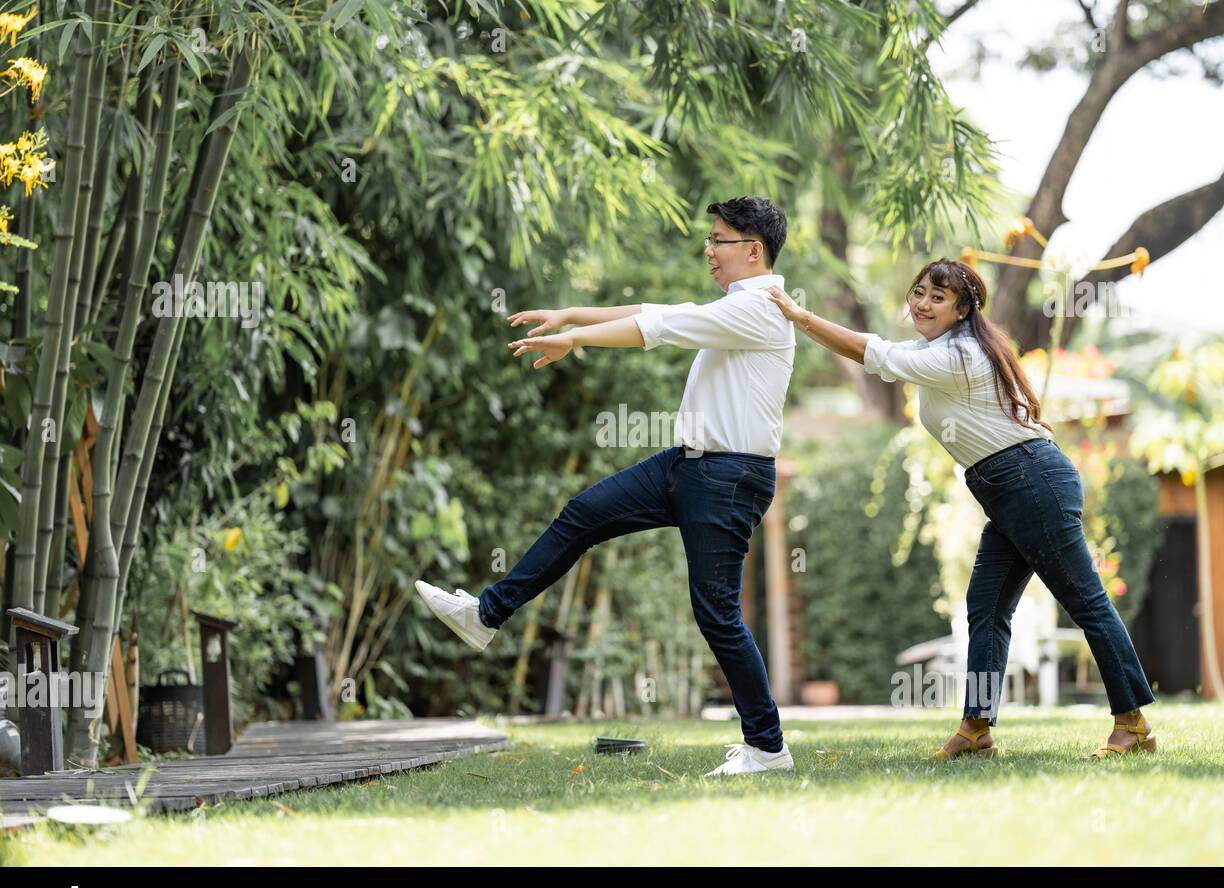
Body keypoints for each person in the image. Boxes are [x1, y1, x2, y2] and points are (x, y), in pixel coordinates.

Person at [417, 197, 799, 776]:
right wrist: (571, 314)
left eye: (718, 240)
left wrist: (575, 339)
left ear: (753, 250)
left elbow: (656, 327)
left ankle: (768, 748)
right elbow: (657, 309)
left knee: (717, 612)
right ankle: (485, 616)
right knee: (585, 513)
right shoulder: (737, 304)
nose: (707, 250)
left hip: (728, 475)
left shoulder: (760, 308)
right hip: (688, 465)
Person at [766, 258, 1157, 760]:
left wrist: (800, 316)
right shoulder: (941, 348)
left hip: (1030, 482)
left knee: (1086, 603)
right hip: (1011, 488)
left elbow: (870, 352)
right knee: (986, 608)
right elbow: (878, 348)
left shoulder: (957, 356)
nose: (922, 304)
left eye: (938, 297)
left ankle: (1132, 723)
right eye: (919, 293)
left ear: (963, 310)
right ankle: (976, 729)